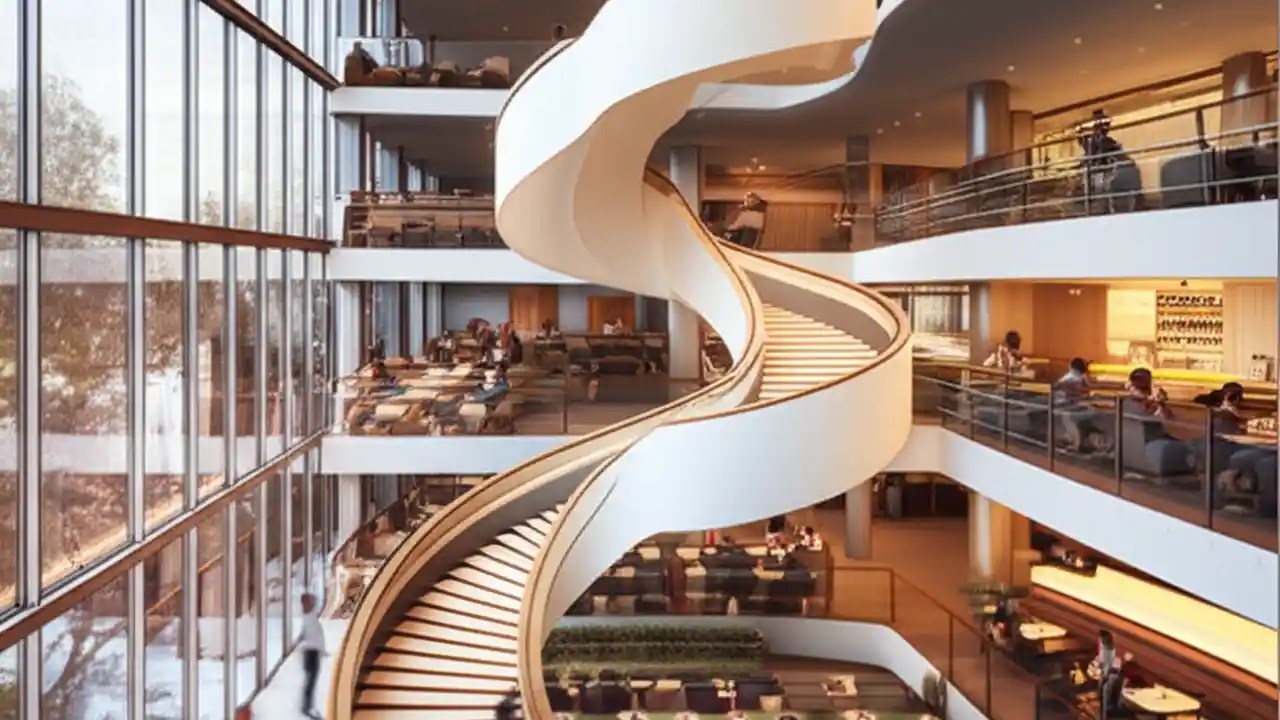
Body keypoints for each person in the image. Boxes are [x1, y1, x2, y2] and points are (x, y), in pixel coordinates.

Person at [298, 593, 326, 719]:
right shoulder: (308, 617)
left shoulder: (309, 616)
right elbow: (312, 637)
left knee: (310, 681)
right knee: (311, 681)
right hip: (311, 653)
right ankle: (307, 707)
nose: (313, 603)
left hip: (312, 652)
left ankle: (308, 706)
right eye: (310, 601)